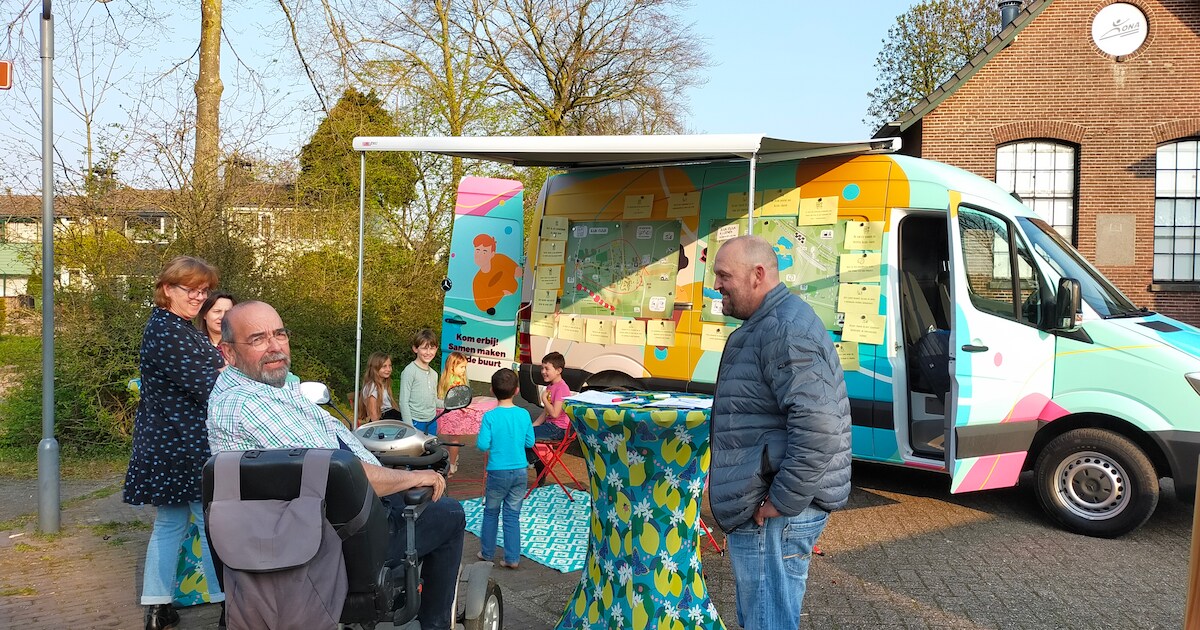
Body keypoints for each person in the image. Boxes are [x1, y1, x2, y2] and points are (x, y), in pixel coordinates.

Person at [207, 301, 465, 630]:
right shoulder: (249, 405)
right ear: (229, 352)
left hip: (308, 527)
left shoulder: (261, 387)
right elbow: (347, 475)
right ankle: (436, 624)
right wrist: (415, 478)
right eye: (258, 339)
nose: (275, 347)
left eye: (280, 334)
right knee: (450, 513)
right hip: (338, 540)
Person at [708, 235, 852, 630]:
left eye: (724, 275)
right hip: (772, 507)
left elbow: (820, 426)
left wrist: (781, 501)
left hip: (772, 513)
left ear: (757, 275)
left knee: (766, 621)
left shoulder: (783, 329)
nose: (716, 284)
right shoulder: (774, 323)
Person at [123, 256, 225, 630]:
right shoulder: (170, 331)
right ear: (167, 288)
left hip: (168, 444)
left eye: (204, 291)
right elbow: (214, 387)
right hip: (185, 446)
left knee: (171, 525)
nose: (199, 297)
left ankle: (157, 608)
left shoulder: (173, 327)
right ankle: (227, 607)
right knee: (213, 525)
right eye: (191, 290)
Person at [475, 368, 535, 569]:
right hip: (520, 471)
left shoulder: (490, 417)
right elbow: (530, 442)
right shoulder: (524, 414)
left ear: (492, 390)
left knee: (491, 512)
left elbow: (483, 445)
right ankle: (512, 558)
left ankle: (487, 552)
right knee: (512, 514)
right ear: (517, 390)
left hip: (497, 471)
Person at [525, 351, 570, 482]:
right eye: (542, 368)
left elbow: (555, 414)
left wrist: (544, 399)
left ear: (558, 370)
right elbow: (545, 413)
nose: (543, 371)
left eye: (547, 369)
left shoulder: (562, 388)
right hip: (550, 426)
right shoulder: (551, 386)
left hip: (558, 429)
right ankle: (538, 463)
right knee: (522, 432)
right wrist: (532, 425)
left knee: (524, 436)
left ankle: (535, 463)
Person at [436, 351, 483, 475]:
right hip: (454, 414)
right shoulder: (456, 381)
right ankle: (451, 463)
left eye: (464, 367)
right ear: (452, 366)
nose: (463, 370)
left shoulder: (446, 378)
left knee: (451, 439)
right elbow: (459, 399)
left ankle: (451, 459)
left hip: (447, 413)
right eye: (461, 367)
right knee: (454, 440)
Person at [399, 329, 442, 434]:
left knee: (431, 450)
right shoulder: (409, 371)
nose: (428, 353)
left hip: (432, 422)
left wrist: (451, 404)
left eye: (432, 348)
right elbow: (403, 402)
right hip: (415, 422)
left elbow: (434, 400)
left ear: (436, 349)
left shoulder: (434, 374)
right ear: (415, 349)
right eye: (424, 348)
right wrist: (409, 427)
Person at [471, 233, 520, 315]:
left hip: (514, 306)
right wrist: (502, 293)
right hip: (499, 311)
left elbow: (519, 272)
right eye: (477, 250)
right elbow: (482, 306)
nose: (479, 255)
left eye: (484, 251)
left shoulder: (499, 259)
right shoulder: (477, 281)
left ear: (492, 254)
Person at [360, 351, 401, 422]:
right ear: (375, 368)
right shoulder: (372, 387)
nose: (388, 369)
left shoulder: (384, 383)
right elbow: (373, 414)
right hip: (383, 420)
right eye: (384, 366)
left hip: (391, 415)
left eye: (390, 366)